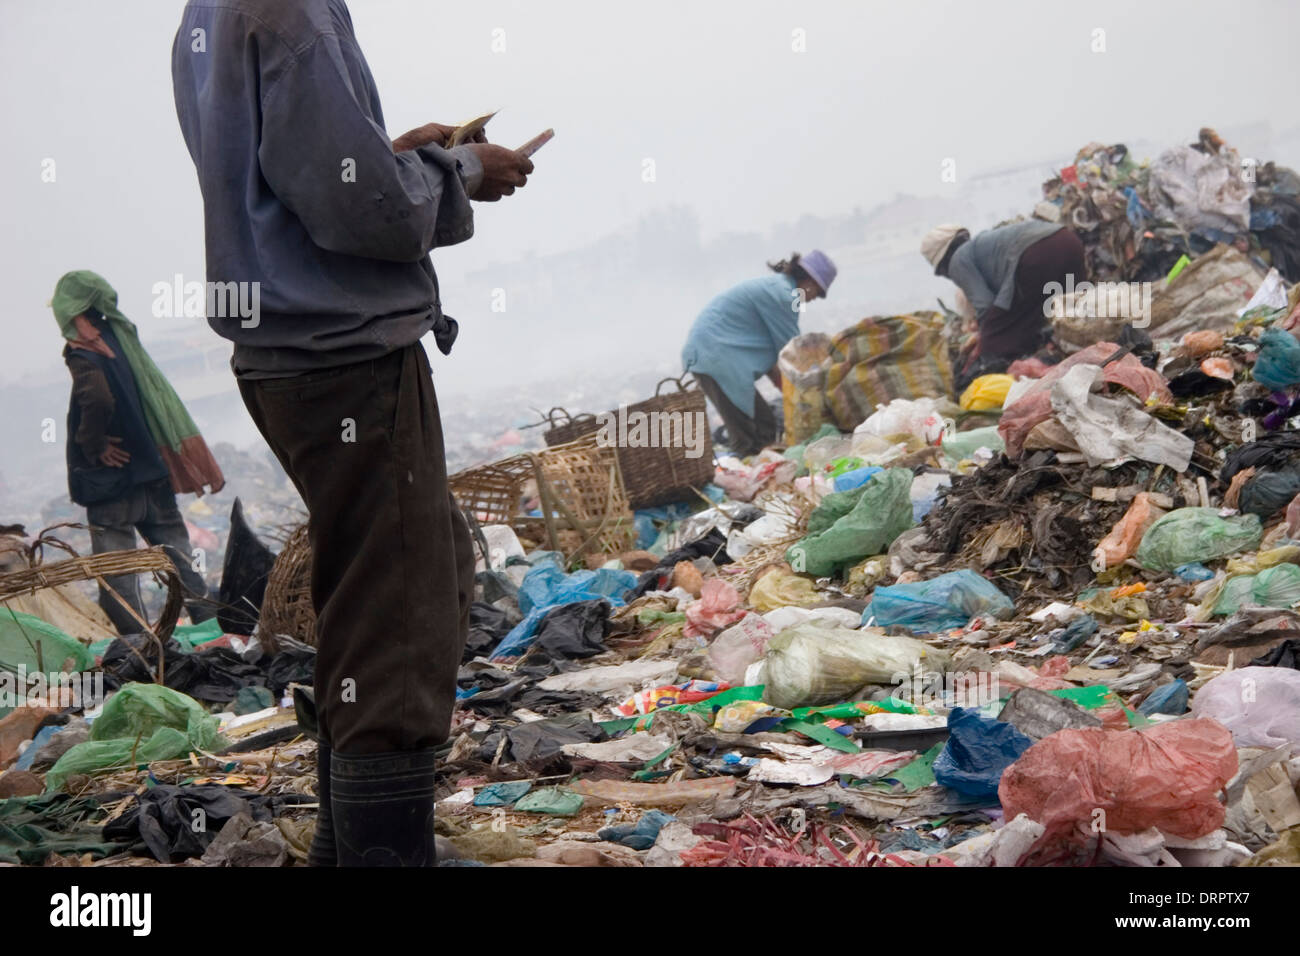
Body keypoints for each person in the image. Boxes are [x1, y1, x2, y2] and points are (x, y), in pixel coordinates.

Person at [171, 0, 535, 867]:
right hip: (342, 353)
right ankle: (384, 851)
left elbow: (296, 173)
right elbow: (359, 209)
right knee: (399, 605)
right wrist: (464, 173)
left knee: (378, 578)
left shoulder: (208, 14)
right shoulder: (289, 8)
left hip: (285, 353)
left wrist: (402, 153)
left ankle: (347, 842)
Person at [52, 270, 224, 634]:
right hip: (152, 471)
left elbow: (96, 397)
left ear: (75, 310)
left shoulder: (85, 352)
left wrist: (94, 445)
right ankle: (213, 634)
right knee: (182, 563)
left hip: (113, 485)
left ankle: (138, 649)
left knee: (118, 578)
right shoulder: (123, 338)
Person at [682, 250, 837, 456]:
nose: (813, 299)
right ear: (809, 282)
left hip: (717, 356)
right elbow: (793, 353)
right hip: (716, 357)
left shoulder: (778, 288)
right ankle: (745, 479)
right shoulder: (784, 296)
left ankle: (757, 470)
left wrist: (795, 396)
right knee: (745, 437)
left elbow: (778, 365)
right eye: (817, 293)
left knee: (765, 426)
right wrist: (814, 401)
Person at [922, 221, 1085, 388]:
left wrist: (984, 342)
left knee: (996, 341)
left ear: (944, 262)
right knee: (1071, 318)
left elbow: (985, 304)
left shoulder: (958, 260)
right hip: (1069, 242)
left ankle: (1011, 382)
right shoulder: (983, 246)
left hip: (1037, 254)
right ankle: (1083, 359)